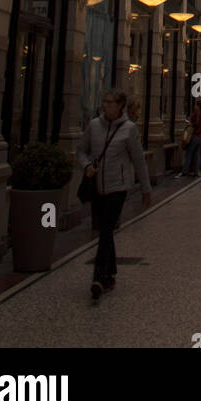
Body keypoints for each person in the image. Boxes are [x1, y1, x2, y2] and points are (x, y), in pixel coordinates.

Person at [76, 88, 151, 303]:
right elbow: (81, 150)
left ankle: (98, 278)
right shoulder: (93, 126)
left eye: (110, 102)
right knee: (104, 229)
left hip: (118, 187)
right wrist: (87, 165)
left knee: (107, 228)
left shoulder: (129, 130)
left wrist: (146, 189)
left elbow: (138, 161)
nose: (105, 105)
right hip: (98, 186)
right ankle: (110, 274)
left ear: (120, 106)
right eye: (104, 101)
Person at [179, 96, 201, 178]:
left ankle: (184, 171)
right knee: (196, 154)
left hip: (195, 135)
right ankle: (196, 171)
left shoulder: (198, 113)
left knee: (189, 153)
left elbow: (195, 123)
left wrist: (191, 123)